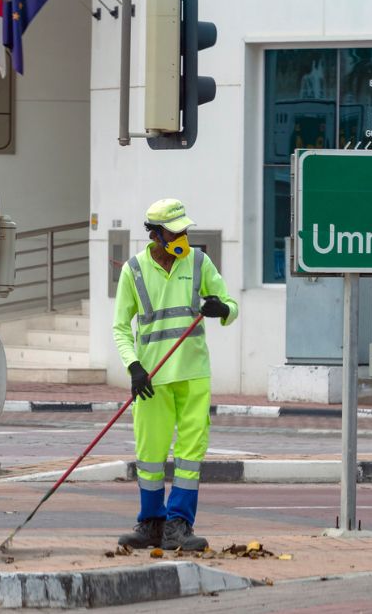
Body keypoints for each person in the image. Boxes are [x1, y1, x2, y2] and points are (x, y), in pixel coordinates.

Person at [111, 199, 238, 551]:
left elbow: (231, 305)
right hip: (151, 379)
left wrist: (221, 308)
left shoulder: (198, 262)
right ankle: (151, 524)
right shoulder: (133, 270)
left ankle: (178, 524)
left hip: (194, 373)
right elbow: (121, 327)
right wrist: (133, 366)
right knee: (150, 454)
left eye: (184, 229)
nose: (182, 235)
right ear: (155, 234)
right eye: (174, 231)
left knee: (189, 453)